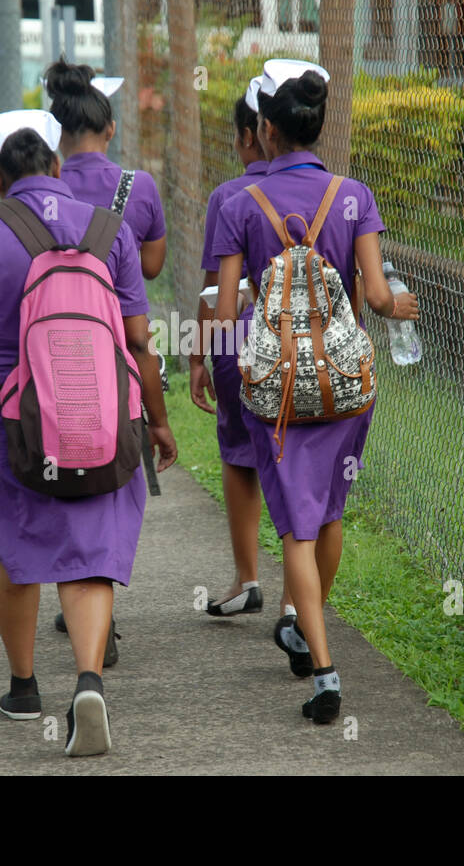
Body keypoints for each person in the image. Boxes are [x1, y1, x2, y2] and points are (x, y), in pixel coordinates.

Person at [0, 110, 177, 757]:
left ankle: (23, 687)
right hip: (99, 411)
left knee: (11, 539)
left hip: (3, 417)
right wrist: (156, 420)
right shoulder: (109, 229)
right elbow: (136, 341)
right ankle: (90, 679)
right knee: (89, 544)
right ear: (56, 168)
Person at [212, 60, 419, 723]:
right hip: (345, 384)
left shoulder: (238, 203)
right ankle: (304, 625)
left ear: (265, 130)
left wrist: (242, 315)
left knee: (295, 528)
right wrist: (403, 305)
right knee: (328, 514)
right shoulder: (354, 195)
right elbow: (380, 296)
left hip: (276, 391)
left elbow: (222, 314)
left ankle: (324, 673)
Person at [43, 59, 170, 656]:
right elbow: (149, 267)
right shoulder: (136, 188)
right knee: (113, 488)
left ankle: (73, 604)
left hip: (50, 358)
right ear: (111, 129)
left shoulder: (46, 187)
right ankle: (101, 612)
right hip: (117, 359)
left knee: (57, 477)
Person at [190, 78, 274, 618]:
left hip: (239, 342)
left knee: (242, 456)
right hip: (311, 347)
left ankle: (247, 577)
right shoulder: (340, 191)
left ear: (252, 135)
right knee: (299, 464)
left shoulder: (229, 197)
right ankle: (300, 603)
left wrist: (197, 356)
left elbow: (211, 294)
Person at [44, 59, 167, 280]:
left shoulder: (41, 192)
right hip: (121, 314)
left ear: (55, 134)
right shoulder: (140, 185)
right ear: (111, 130)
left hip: (53, 313)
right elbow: (151, 267)